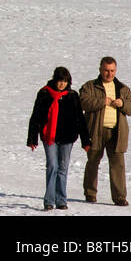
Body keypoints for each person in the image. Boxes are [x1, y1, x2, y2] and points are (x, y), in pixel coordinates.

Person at [27, 66, 91, 210]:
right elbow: (35, 117)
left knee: (63, 168)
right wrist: (32, 138)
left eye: (65, 81)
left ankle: (61, 200)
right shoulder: (44, 93)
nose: (62, 84)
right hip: (49, 137)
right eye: (60, 80)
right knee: (52, 166)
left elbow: (80, 119)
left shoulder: (72, 95)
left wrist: (85, 140)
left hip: (67, 138)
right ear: (54, 80)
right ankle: (49, 201)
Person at [79, 57, 131, 207]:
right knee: (93, 162)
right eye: (106, 70)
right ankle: (90, 194)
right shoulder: (90, 86)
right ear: (100, 69)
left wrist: (122, 103)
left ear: (115, 70)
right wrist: (101, 102)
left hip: (116, 133)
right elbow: (82, 102)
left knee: (118, 165)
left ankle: (119, 197)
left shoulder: (122, 88)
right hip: (95, 132)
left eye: (112, 71)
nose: (109, 74)